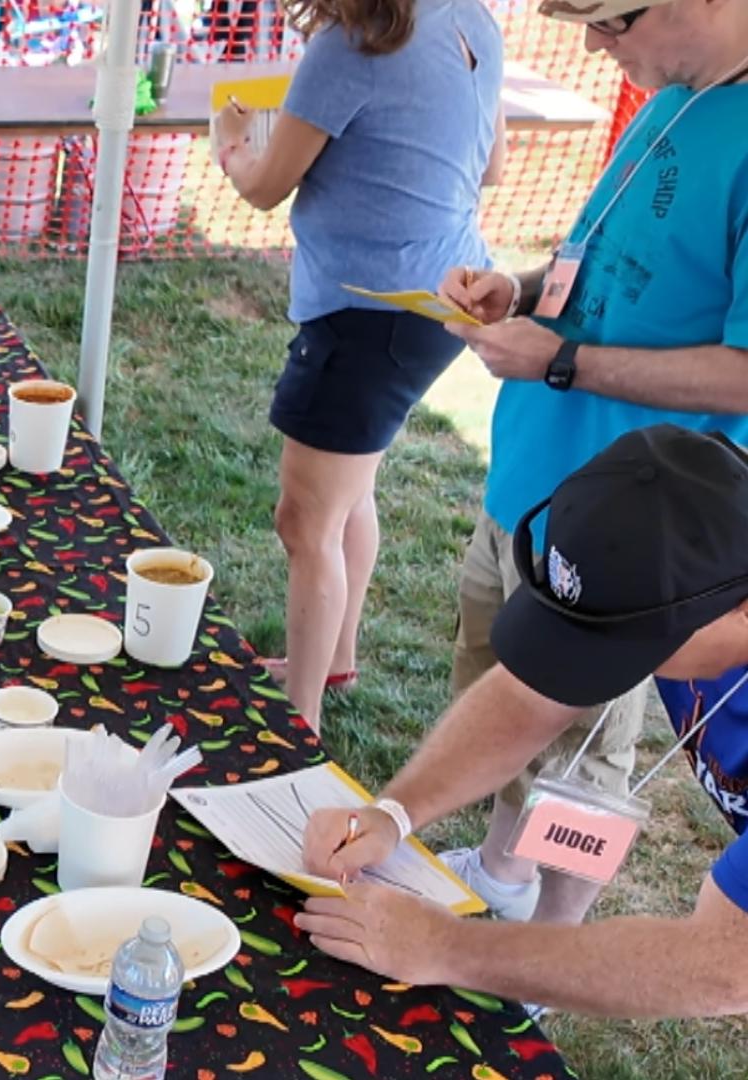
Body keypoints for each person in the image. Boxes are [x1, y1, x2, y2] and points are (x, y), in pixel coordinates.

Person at [427, 0, 748, 926]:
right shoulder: (676, 92)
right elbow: (603, 263)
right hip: (532, 477)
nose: (592, 45)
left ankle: (554, 938)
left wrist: (562, 361)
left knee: (583, 756)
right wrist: (519, 291)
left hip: (628, 533)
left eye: (609, 22)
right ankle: (500, 870)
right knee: (497, 687)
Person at [296, 425, 748, 1019]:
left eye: (622, 645)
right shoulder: (703, 573)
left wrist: (446, 946)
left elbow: (723, 968)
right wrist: (393, 813)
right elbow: (527, 697)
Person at [211, 0, 505, 736]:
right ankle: (334, 660)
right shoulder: (473, 21)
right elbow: (493, 167)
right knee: (349, 492)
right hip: (447, 292)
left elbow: (264, 186)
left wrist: (231, 144)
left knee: (304, 520)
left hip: (369, 311)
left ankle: (299, 719)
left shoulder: (350, 47)